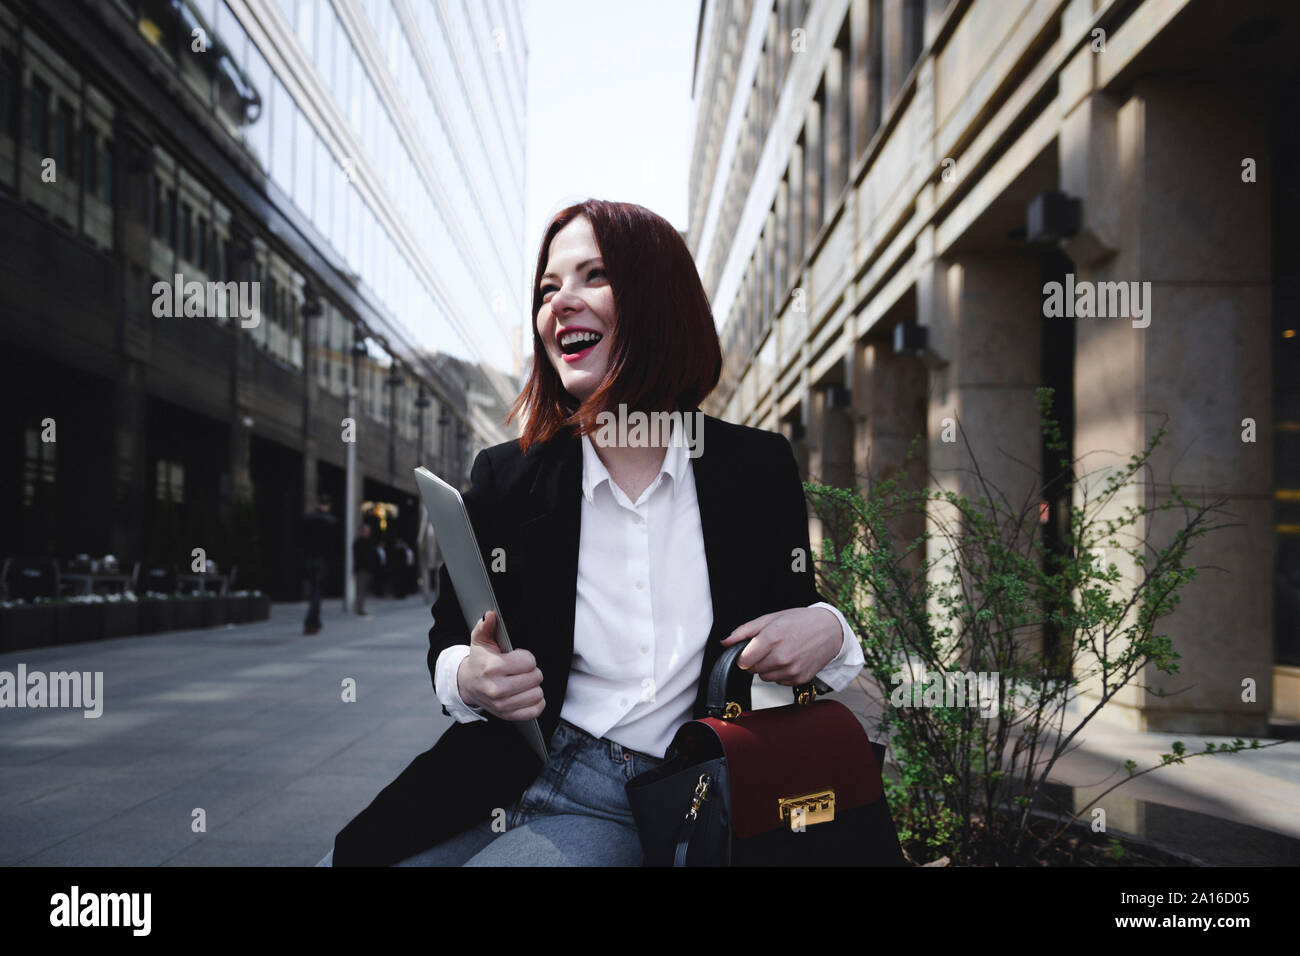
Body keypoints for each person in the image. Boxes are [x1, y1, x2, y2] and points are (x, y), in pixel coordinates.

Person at [322, 199, 864, 867]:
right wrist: (469, 677)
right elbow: (447, 641)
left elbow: (794, 628)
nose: (560, 303)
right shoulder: (505, 477)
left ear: (660, 300)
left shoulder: (751, 469)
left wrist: (831, 630)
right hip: (499, 770)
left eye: (593, 277)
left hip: (649, 796)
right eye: (549, 288)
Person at [300, 494, 336, 635]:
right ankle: (310, 622)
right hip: (322, 561)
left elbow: (302, 541)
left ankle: (315, 620)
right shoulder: (330, 521)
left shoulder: (308, 519)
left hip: (310, 560)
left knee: (314, 591)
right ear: (328, 505)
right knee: (317, 593)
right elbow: (332, 546)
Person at [351, 524, 377, 617]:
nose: (368, 533)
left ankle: (360, 607)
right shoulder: (359, 542)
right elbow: (359, 557)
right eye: (366, 531)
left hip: (369, 569)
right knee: (360, 590)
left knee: (364, 590)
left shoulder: (369, 541)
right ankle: (359, 608)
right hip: (362, 569)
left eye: (368, 531)